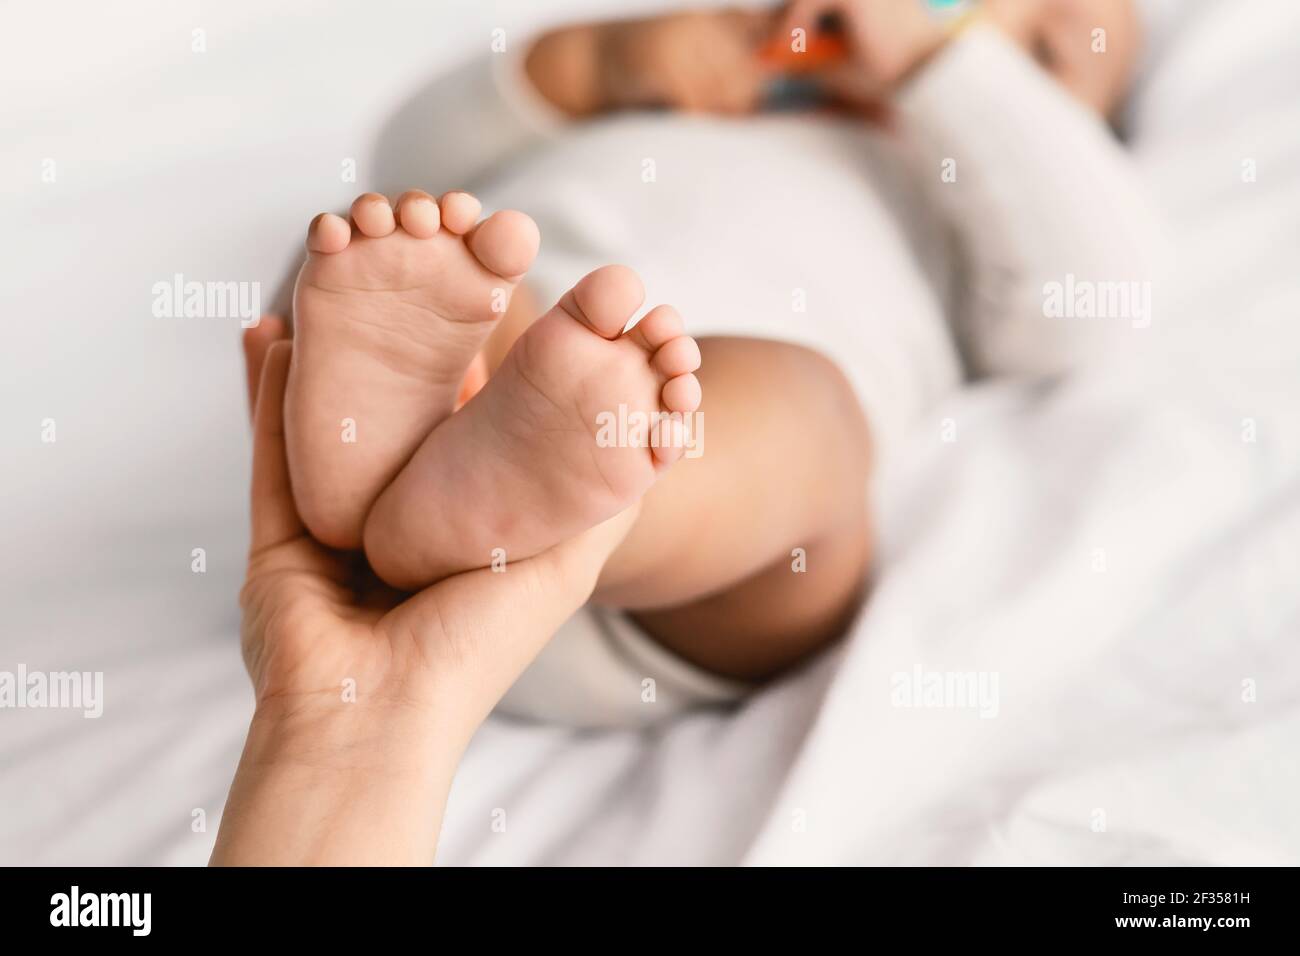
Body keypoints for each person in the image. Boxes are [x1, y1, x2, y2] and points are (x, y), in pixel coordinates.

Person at [264, 0, 1166, 731]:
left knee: (812, 425)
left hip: (678, 582)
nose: (998, 20)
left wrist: (937, 68)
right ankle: (412, 448)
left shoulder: (964, 200)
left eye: (1048, 52)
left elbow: (1097, 296)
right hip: (509, 327)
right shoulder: (718, 74)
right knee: (393, 237)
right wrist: (600, 65)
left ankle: (543, 492)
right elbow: (414, 147)